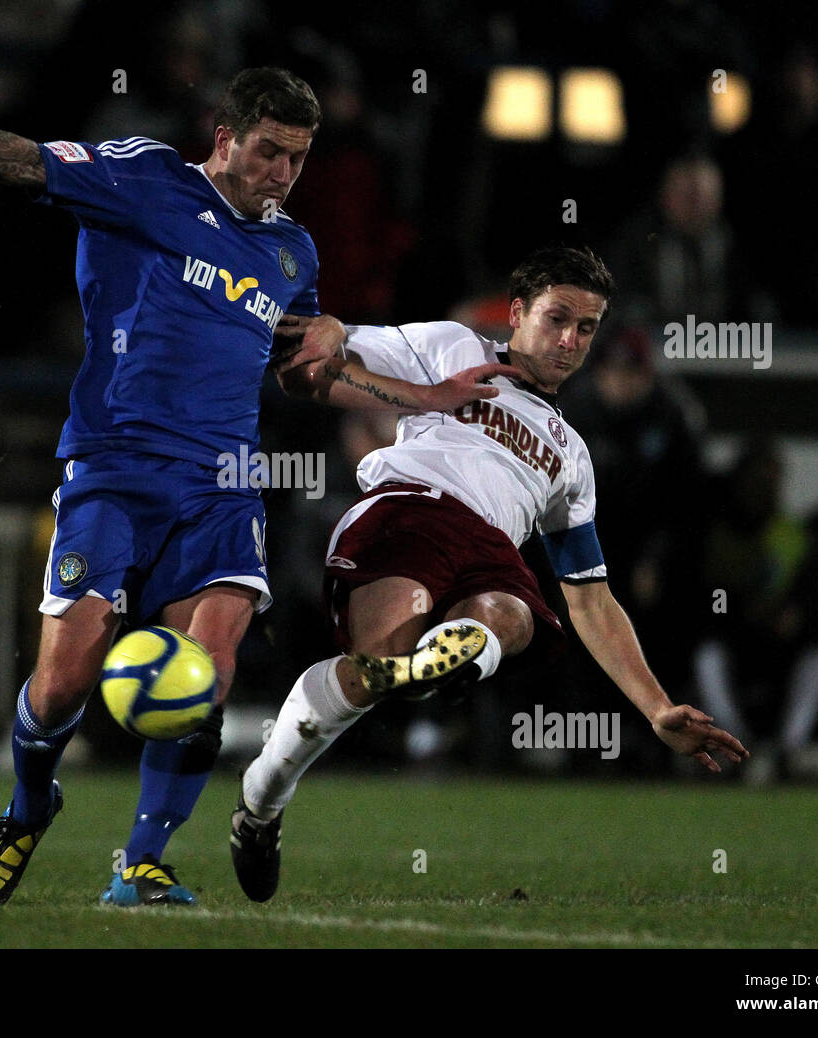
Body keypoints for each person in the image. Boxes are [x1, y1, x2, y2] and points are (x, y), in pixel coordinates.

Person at [0, 68, 511, 908]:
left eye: (296, 160)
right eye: (268, 151)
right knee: (63, 681)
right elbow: (30, 163)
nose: (280, 173)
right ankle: (27, 805)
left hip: (221, 483)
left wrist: (409, 389)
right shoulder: (145, 177)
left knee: (211, 669)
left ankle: (141, 862)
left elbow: (302, 378)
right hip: (115, 463)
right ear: (223, 137)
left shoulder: (290, 251)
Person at [231, 245, 750, 902]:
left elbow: (589, 599)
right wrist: (347, 340)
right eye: (557, 318)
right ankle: (260, 806)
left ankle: (437, 663)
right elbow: (334, 349)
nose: (570, 340)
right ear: (516, 313)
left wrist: (655, 707)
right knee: (378, 668)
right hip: (407, 512)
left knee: (513, 614)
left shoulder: (573, 457)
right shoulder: (453, 346)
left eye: (586, 328)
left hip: (490, 555)